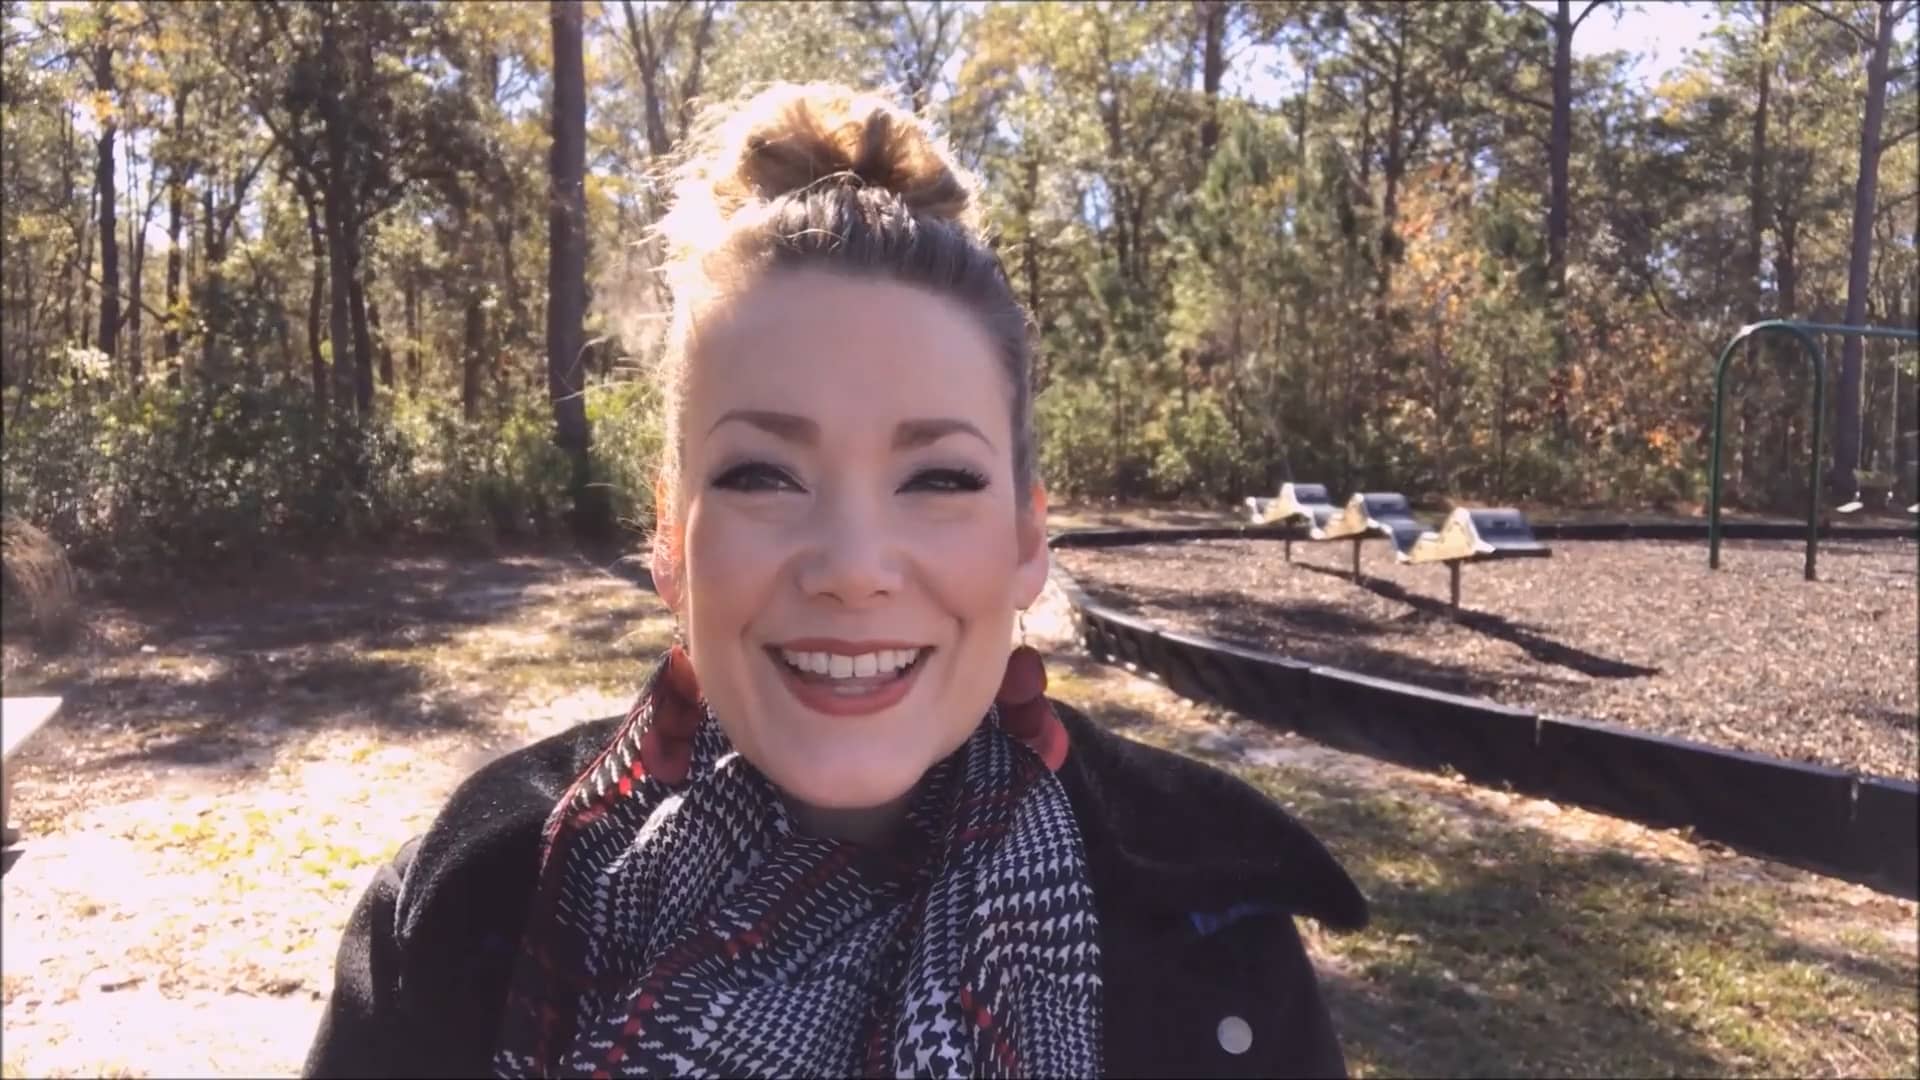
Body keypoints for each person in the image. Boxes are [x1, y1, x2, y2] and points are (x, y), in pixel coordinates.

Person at [302, 81, 1368, 1080]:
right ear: (670, 538)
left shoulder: (1219, 943)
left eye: (938, 478)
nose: (854, 569)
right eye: (763, 475)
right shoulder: (462, 922)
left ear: (1025, 539)